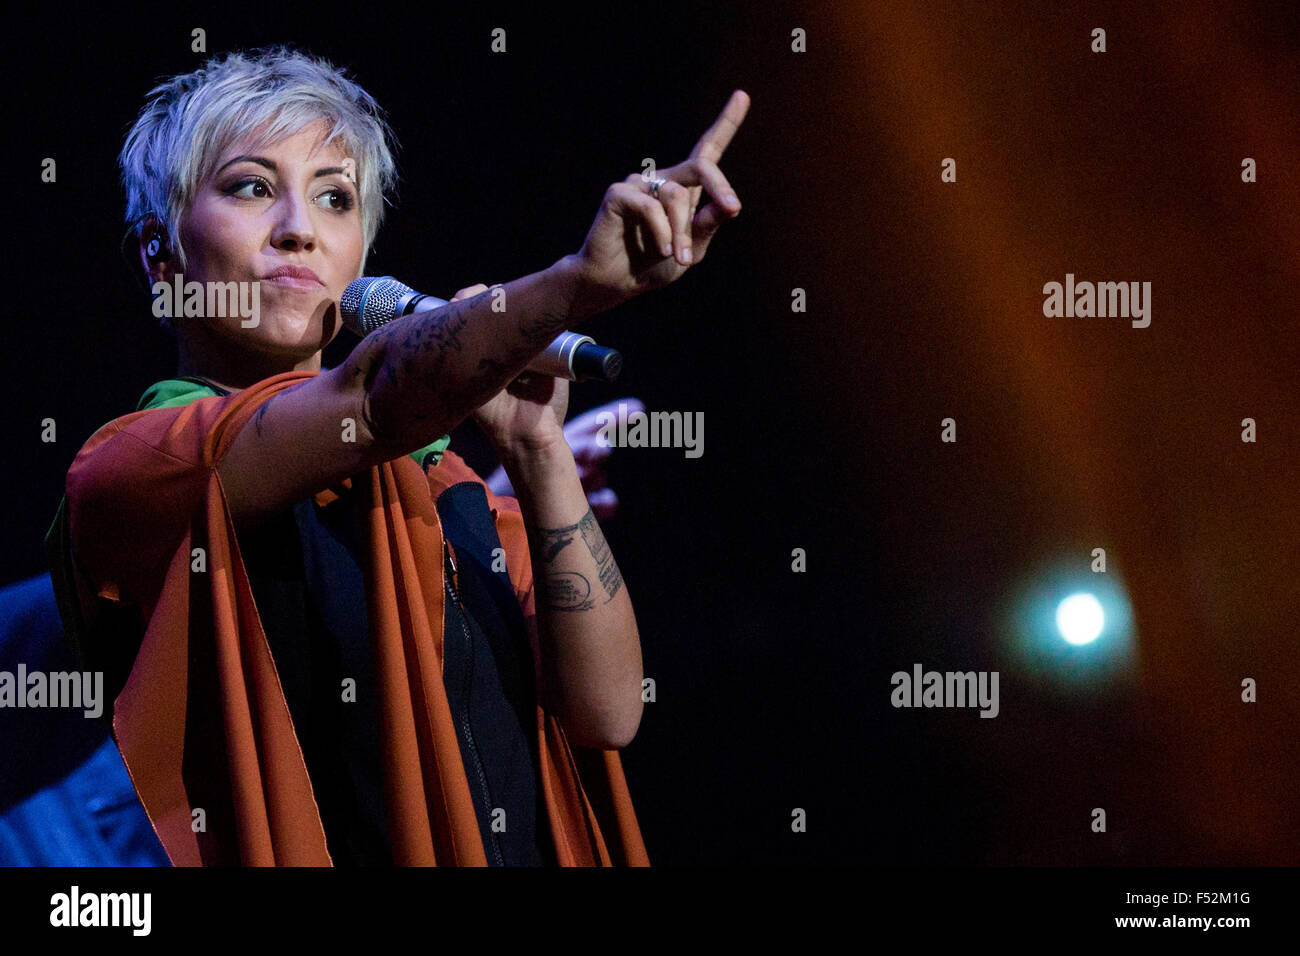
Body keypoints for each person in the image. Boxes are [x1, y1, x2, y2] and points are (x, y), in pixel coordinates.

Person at [45, 46, 748, 866]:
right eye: (250, 187)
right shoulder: (141, 462)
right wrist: (574, 283)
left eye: (335, 198)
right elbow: (370, 402)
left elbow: (608, 713)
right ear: (159, 257)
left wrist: (535, 448)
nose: (299, 229)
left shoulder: (446, 484)